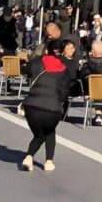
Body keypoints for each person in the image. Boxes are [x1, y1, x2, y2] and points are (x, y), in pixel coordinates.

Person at [22, 36, 78, 169]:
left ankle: (41, 160)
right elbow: (65, 93)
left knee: (40, 134)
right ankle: (37, 159)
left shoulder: (36, 62)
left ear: (47, 50)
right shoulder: (64, 69)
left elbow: (25, 71)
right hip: (52, 109)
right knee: (46, 132)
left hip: (32, 106)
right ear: (62, 52)